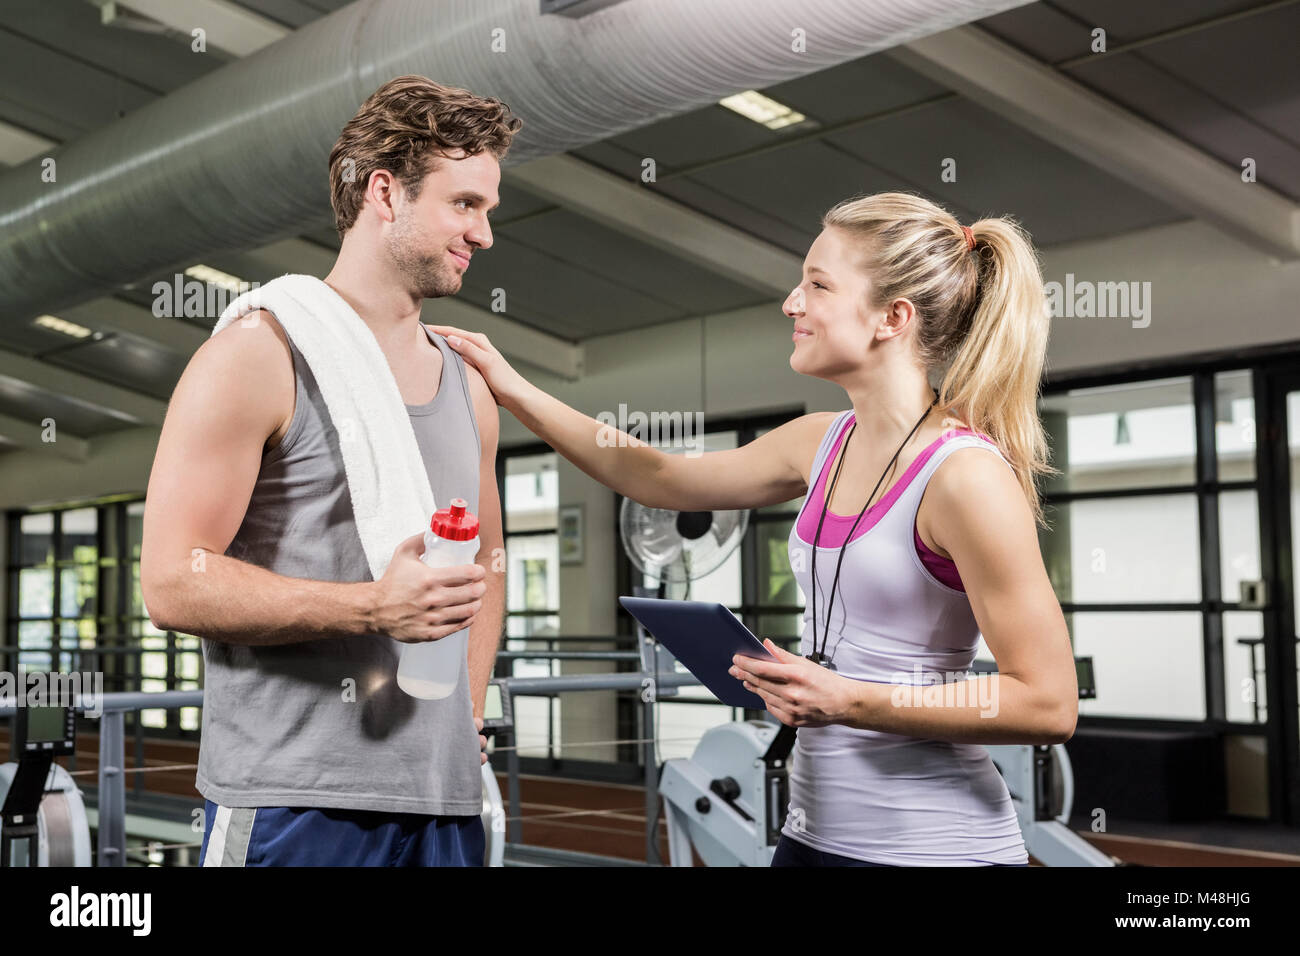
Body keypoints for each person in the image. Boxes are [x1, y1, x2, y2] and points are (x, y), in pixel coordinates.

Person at [429, 191, 1078, 867]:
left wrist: (851, 698)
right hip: (810, 837)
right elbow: (659, 478)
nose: (791, 304)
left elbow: (1048, 702)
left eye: (818, 285)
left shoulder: (964, 476)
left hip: (934, 849)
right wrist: (516, 388)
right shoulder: (821, 440)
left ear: (893, 317)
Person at [140, 76, 521, 866]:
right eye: (464, 204)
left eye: (488, 209)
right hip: (294, 799)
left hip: (442, 796)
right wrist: (374, 607)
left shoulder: (471, 385)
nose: (484, 234)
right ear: (385, 191)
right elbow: (173, 581)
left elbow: (487, 560)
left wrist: (469, 711)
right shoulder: (258, 355)